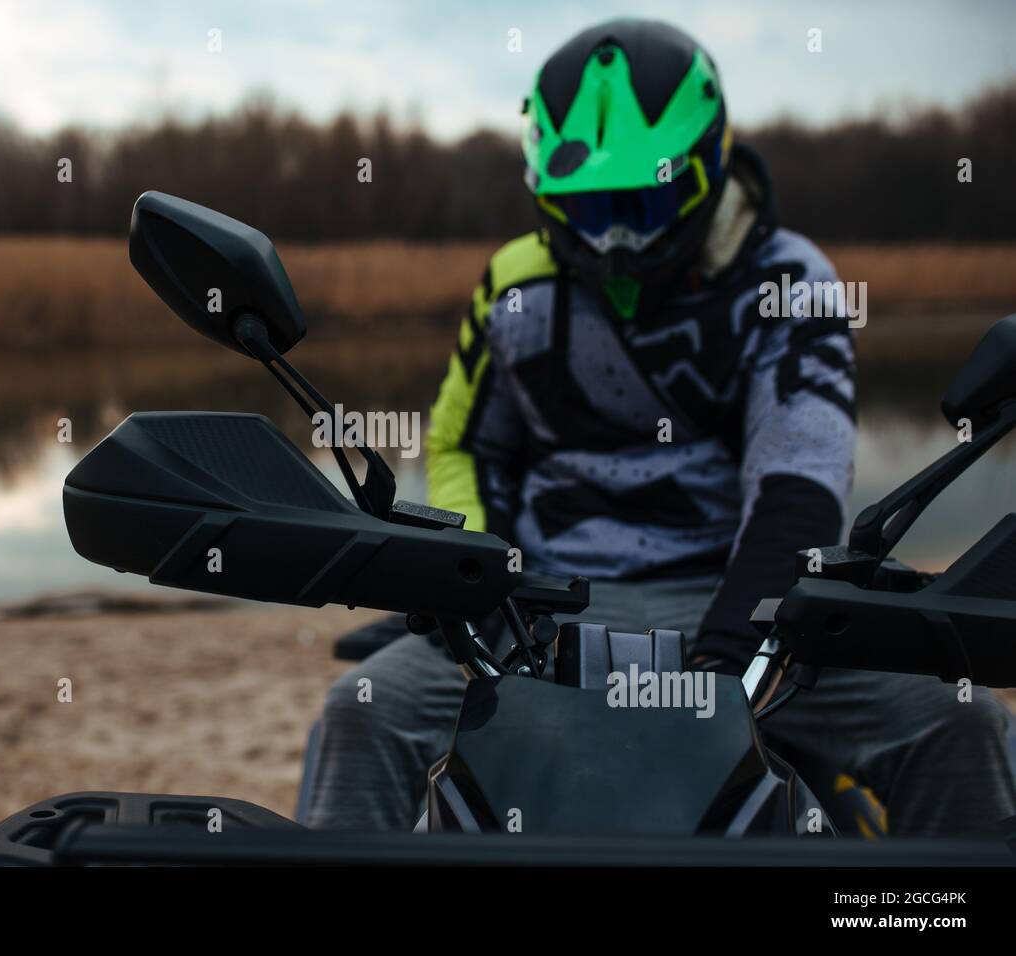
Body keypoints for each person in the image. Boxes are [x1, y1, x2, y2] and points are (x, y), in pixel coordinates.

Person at [303, 17, 1015, 834]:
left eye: (642, 205)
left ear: (707, 166)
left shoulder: (786, 279)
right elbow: (468, 444)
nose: (613, 242)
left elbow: (798, 484)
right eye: (587, 210)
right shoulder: (512, 286)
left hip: (748, 607)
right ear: (542, 193)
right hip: (535, 605)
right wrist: (481, 582)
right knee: (359, 715)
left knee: (962, 725)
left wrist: (725, 656)